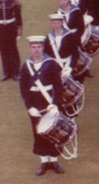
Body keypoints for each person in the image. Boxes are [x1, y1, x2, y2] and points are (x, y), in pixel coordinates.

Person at [19, 35, 66, 175]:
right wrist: (29, 107)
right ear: (30, 48)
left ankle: (54, 161)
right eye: (33, 47)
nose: (36, 50)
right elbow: (23, 88)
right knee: (39, 132)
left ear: (43, 47)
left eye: (39, 47)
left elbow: (58, 85)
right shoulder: (26, 65)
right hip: (35, 103)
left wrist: (55, 104)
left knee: (53, 131)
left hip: (49, 101)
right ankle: (44, 162)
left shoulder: (51, 63)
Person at [43, 13, 81, 83]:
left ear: (62, 23)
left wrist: (69, 68)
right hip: (54, 67)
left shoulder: (70, 36)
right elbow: (45, 55)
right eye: (53, 23)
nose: (56, 25)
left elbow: (75, 54)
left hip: (67, 65)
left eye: (58, 23)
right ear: (51, 24)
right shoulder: (48, 38)